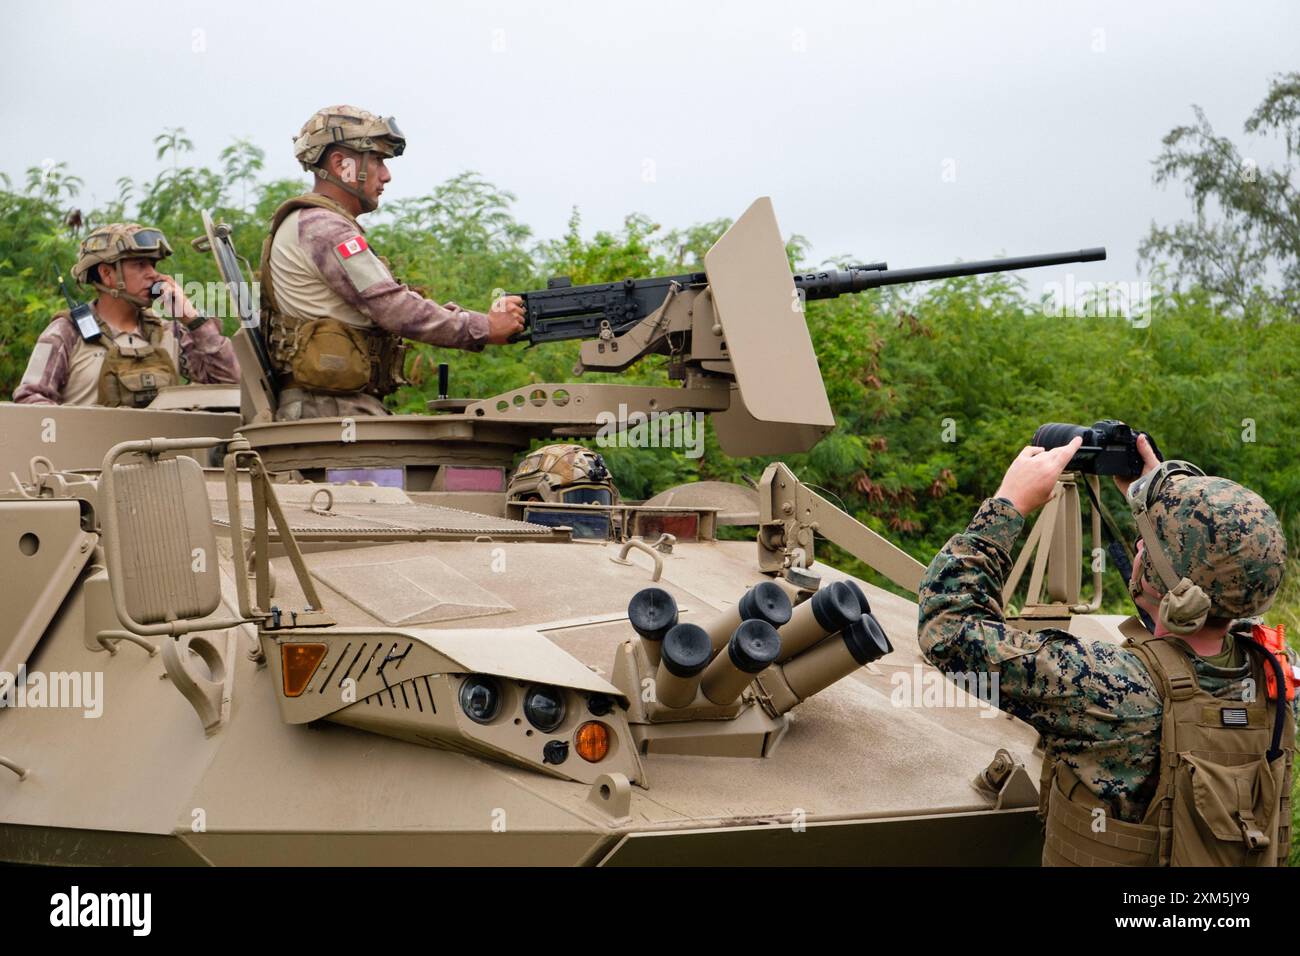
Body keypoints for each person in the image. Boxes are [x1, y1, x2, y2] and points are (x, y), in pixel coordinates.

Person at [918, 432, 1296, 865]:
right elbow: (1231, 583)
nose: (1138, 544)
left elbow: (949, 628)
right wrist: (1158, 500)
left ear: (1164, 583)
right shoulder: (1278, 680)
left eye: (1148, 544)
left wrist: (1009, 503)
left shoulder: (1109, 687)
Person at [261, 105, 525, 421]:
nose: (386, 175)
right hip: (332, 411)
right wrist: (483, 327)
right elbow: (394, 307)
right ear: (340, 164)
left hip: (332, 407)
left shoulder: (314, 224)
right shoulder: (325, 229)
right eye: (376, 160)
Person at [13, 223, 239, 406]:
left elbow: (230, 382)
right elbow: (30, 400)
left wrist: (192, 318)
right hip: (90, 460)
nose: (153, 274)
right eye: (140, 265)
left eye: (153, 264)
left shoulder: (169, 332)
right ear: (106, 274)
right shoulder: (67, 333)